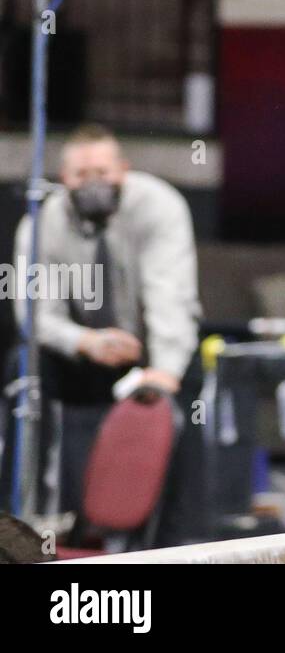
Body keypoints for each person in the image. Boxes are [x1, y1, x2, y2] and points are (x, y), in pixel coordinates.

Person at [11, 124, 201, 518]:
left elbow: (170, 293)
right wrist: (85, 342)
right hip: (83, 352)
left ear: (123, 170)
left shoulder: (159, 206)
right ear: (64, 178)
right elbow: (34, 314)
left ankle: (178, 531)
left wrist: (164, 371)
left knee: (187, 374)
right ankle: (32, 515)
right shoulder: (40, 225)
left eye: (103, 172)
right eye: (82, 174)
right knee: (24, 365)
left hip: (148, 351)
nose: (93, 183)